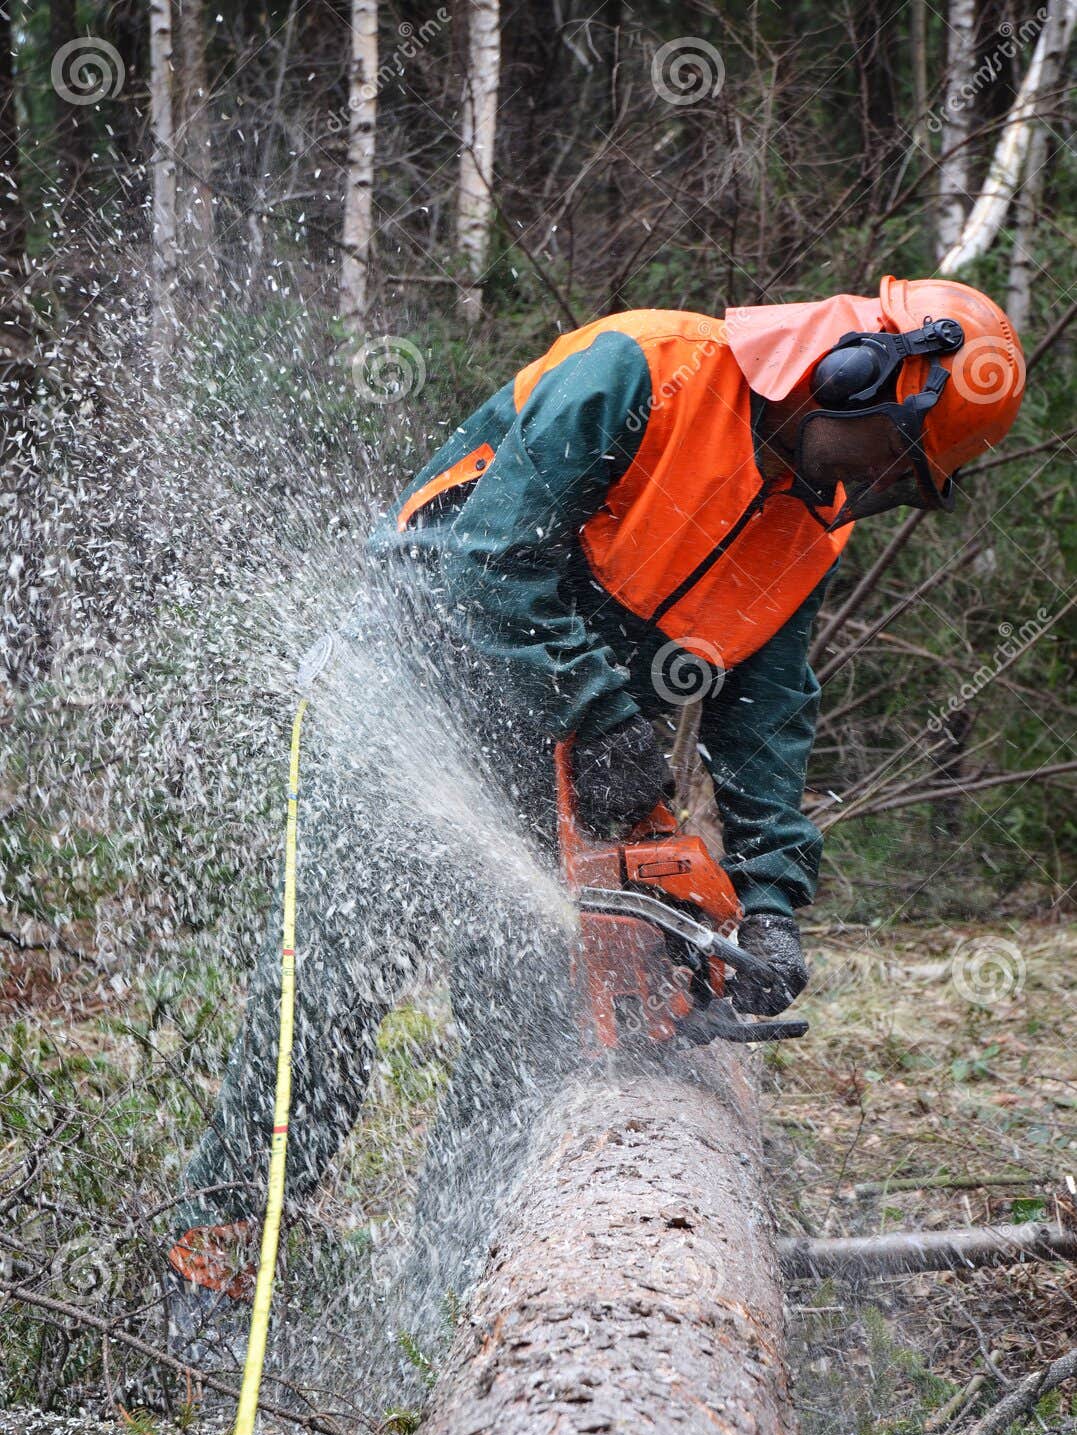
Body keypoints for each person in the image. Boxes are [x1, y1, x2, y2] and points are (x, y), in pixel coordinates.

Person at [168, 274, 1025, 1335]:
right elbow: (483, 565)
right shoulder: (643, 373)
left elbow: (766, 720)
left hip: (552, 757)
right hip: (406, 690)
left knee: (520, 1036)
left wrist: (767, 902)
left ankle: (444, 1318)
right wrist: (603, 709)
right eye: (896, 454)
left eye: (910, 481)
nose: (884, 484)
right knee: (330, 995)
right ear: (856, 375)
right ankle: (206, 1259)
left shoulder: (810, 527)